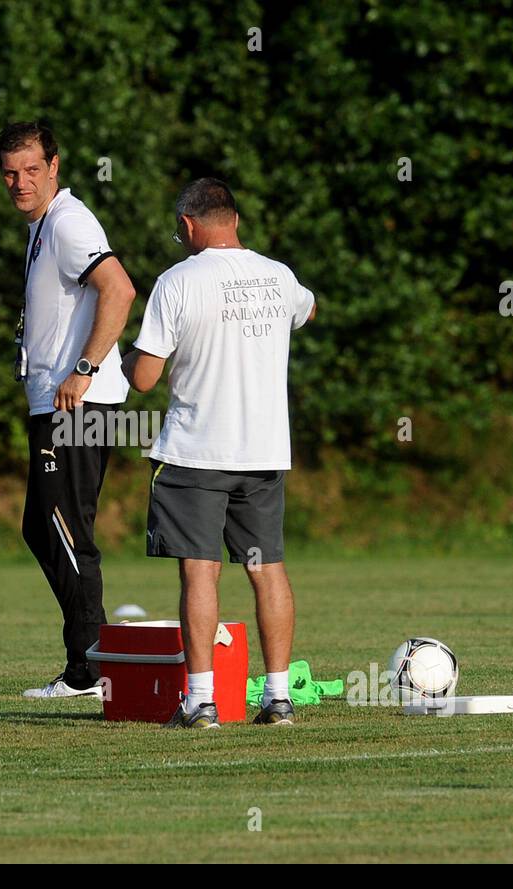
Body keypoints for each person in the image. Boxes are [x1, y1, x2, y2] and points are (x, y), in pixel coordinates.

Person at [122, 178, 316, 729]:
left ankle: (201, 700)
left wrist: (120, 357)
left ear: (187, 225)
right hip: (263, 450)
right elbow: (309, 310)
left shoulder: (177, 281)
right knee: (268, 570)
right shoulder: (278, 276)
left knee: (200, 573)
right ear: (234, 219)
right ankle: (278, 699)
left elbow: (145, 378)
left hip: (198, 450)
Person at [0, 120, 136, 698]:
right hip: (57, 402)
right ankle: (92, 656)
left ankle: (89, 668)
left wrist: (83, 370)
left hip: (77, 403)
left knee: (64, 531)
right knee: (43, 527)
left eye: (32, 170)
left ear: (54, 167)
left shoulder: (70, 221)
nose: (20, 182)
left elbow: (120, 289)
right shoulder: (44, 225)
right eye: (10, 172)